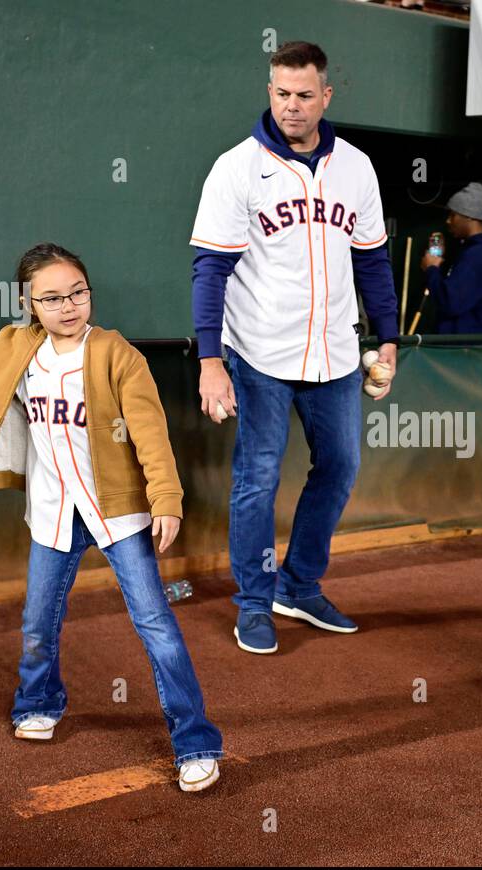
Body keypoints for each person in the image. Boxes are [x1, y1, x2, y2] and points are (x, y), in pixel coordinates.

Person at [0, 225, 225, 792]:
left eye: (78, 292)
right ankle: (38, 701)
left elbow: (151, 433)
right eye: (52, 297)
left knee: (156, 625)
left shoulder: (115, 353)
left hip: (116, 514)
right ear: (28, 303)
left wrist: (166, 498)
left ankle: (195, 741)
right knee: (37, 622)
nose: (68, 306)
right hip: (52, 512)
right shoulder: (14, 351)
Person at [189, 40, 401, 655]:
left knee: (340, 465)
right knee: (257, 476)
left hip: (335, 353)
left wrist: (386, 337)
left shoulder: (357, 167)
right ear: (270, 92)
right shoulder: (237, 167)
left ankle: (299, 585)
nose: (292, 106)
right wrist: (210, 361)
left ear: (325, 96)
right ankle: (254, 602)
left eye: (304, 94)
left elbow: (374, 261)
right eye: (281, 93)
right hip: (258, 351)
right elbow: (210, 270)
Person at [420, 182, 482, 334]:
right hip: (465, 349)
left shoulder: (477, 256)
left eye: (453, 215)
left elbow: (451, 302)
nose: (448, 221)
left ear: (468, 216)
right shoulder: (476, 252)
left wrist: (431, 270)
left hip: (464, 350)